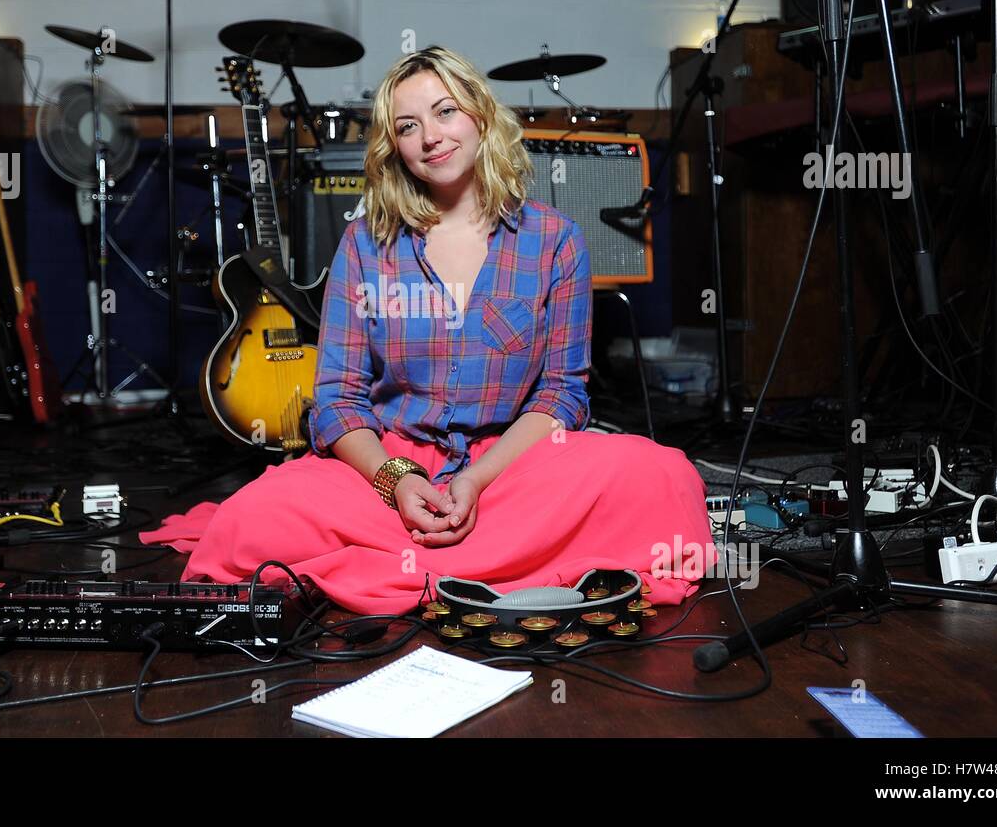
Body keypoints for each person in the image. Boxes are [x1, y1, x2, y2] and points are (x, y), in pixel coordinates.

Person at [141, 45, 712, 615]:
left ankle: (439, 556)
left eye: (445, 112)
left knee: (660, 475)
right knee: (255, 515)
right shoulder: (366, 242)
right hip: (392, 464)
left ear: (480, 115)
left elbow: (562, 393)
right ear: (395, 148)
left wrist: (477, 483)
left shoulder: (555, 239)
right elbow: (338, 399)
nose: (430, 136)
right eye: (407, 126)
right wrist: (398, 480)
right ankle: (495, 561)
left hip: (512, 466)